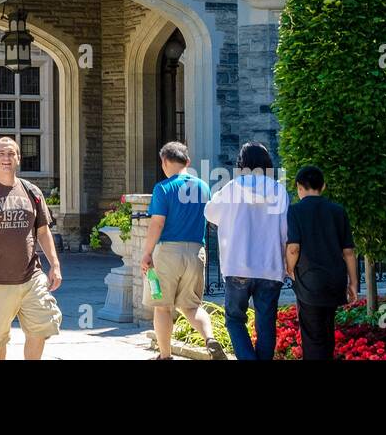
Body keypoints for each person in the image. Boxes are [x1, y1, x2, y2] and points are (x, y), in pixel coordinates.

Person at [0, 136, 63, 361]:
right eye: (1, 153)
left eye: (11, 153)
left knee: (42, 327)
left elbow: (42, 231)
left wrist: (55, 265)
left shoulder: (32, 192)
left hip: (31, 277)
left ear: (19, 158)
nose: (6, 158)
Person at [137, 142, 226, 360]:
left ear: (164, 161)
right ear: (188, 162)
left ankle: (165, 356)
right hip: (196, 252)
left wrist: (147, 253)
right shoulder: (203, 187)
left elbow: (157, 223)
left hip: (167, 253)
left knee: (163, 307)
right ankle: (210, 339)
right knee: (192, 306)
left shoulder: (163, 188)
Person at [204, 141, 288, 360]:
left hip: (237, 264)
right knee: (266, 324)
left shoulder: (231, 187)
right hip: (270, 266)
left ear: (242, 163)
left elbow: (210, 212)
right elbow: (286, 231)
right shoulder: (279, 189)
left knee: (234, 320)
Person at [285, 165, 357, 360]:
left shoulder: (295, 211)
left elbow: (293, 248)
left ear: (299, 187)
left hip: (310, 281)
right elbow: (349, 252)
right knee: (327, 332)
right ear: (323, 186)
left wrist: (289, 269)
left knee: (313, 336)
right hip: (335, 280)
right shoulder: (338, 211)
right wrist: (353, 284)